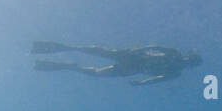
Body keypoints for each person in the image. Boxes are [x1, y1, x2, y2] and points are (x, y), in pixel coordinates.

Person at [32, 42, 201, 84]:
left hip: (134, 67)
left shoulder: (175, 72)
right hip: (134, 59)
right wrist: (139, 50)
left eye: (190, 62)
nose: (187, 61)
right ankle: (68, 48)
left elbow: (158, 79)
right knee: (99, 51)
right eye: (190, 60)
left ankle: (69, 66)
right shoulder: (174, 55)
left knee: (98, 73)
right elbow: (156, 46)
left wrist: (141, 83)